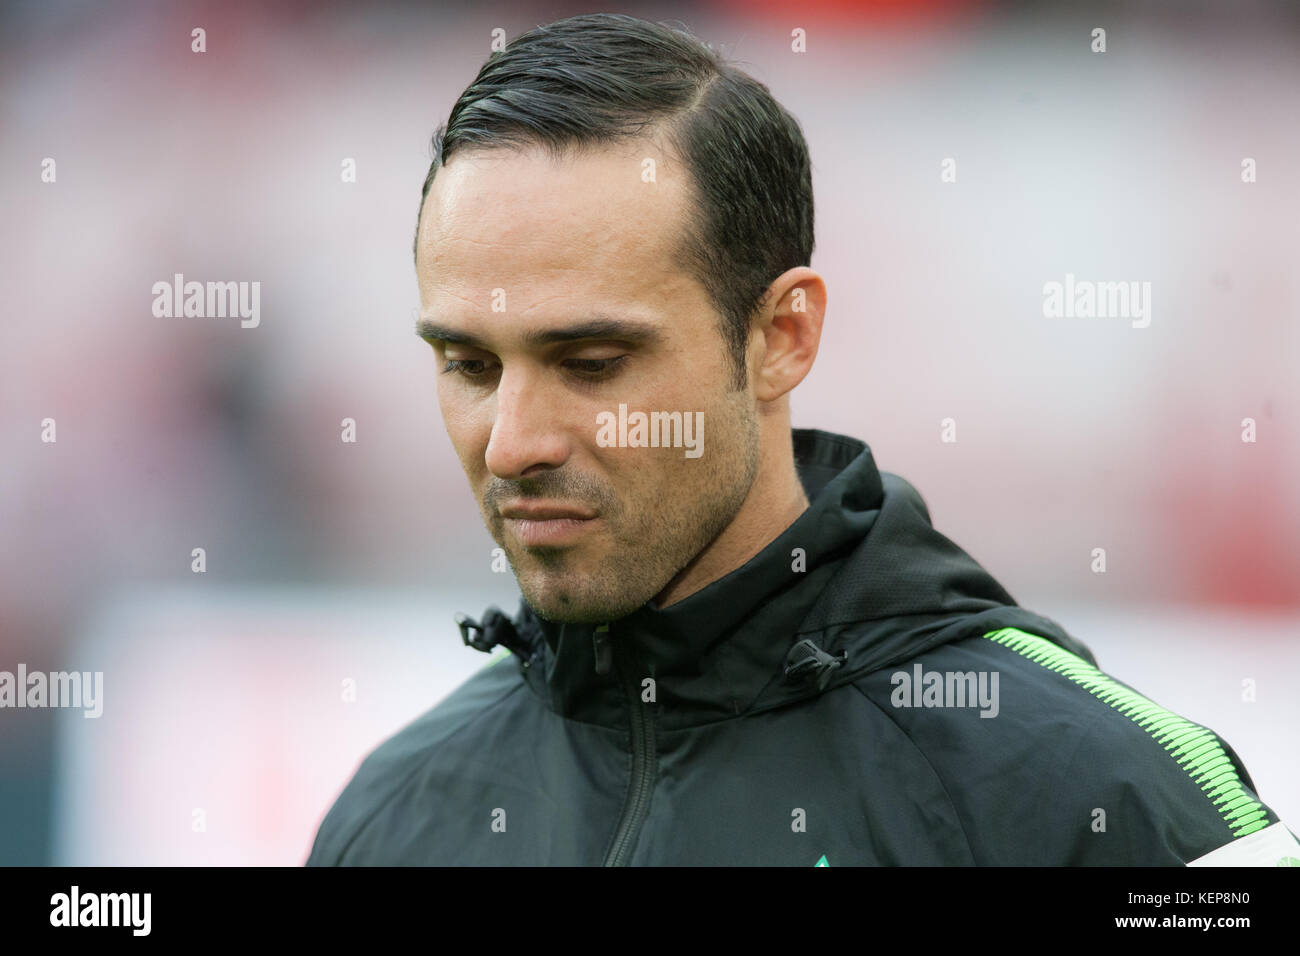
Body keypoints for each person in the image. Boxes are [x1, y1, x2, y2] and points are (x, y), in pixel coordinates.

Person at [307, 13, 1297, 866]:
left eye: (594, 361)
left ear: (780, 337)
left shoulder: (1089, 792)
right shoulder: (396, 812)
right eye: (470, 366)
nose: (512, 441)